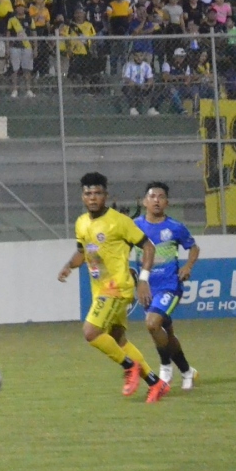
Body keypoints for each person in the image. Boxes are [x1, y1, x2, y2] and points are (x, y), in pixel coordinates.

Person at [57, 172, 167, 403]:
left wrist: (144, 278)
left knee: (91, 332)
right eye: (88, 193)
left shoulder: (119, 221)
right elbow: (82, 252)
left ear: (106, 196)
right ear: (83, 197)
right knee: (118, 339)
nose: (93, 197)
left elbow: (148, 247)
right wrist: (69, 266)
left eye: (98, 193)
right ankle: (155, 383)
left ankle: (130, 368)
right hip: (100, 289)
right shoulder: (81, 223)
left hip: (117, 288)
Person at [134, 182, 200, 390]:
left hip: (170, 286)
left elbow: (194, 247)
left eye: (161, 197)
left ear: (167, 203)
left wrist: (188, 266)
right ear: (144, 201)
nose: (156, 200)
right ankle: (187, 371)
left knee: (153, 324)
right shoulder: (134, 226)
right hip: (147, 289)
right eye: (152, 196)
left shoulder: (174, 227)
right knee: (165, 334)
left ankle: (165, 368)